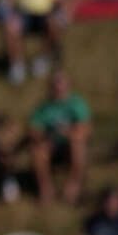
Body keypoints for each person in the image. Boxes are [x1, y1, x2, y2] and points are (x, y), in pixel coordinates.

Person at [27, 69, 92, 205]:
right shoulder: (43, 108)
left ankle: (73, 185)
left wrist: (67, 134)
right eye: (54, 84)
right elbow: (33, 130)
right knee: (38, 150)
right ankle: (46, 188)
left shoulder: (77, 104)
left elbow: (85, 130)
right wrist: (46, 137)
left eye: (61, 83)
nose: (58, 87)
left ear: (68, 85)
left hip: (71, 144)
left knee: (78, 145)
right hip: (51, 145)